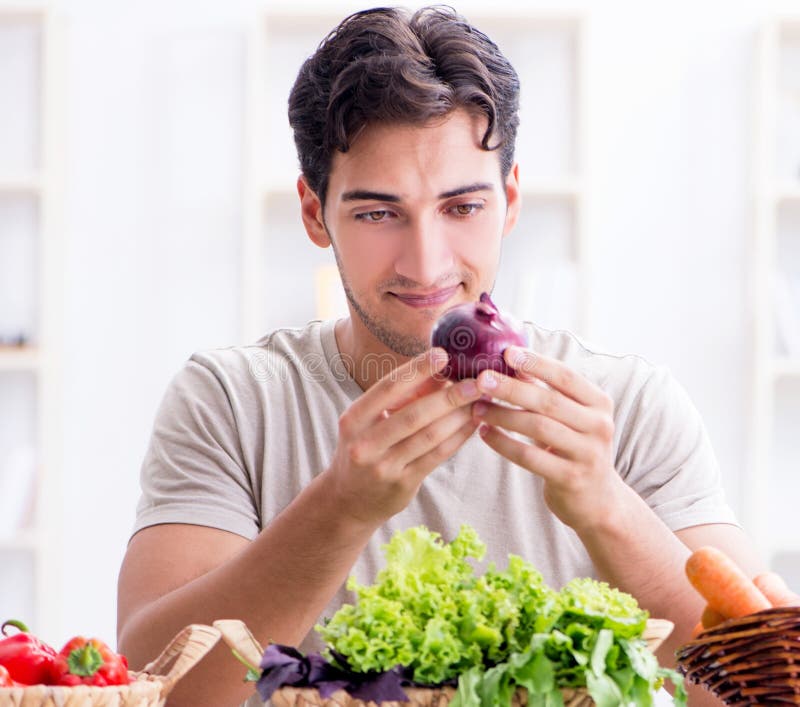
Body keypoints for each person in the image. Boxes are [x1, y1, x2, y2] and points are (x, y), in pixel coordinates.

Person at [117, 6, 762, 706]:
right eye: (376, 213)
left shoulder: (629, 406)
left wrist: (605, 505)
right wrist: (339, 507)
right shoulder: (233, 400)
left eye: (462, 208)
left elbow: (758, 692)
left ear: (510, 200)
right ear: (313, 213)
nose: (427, 264)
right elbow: (156, 689)